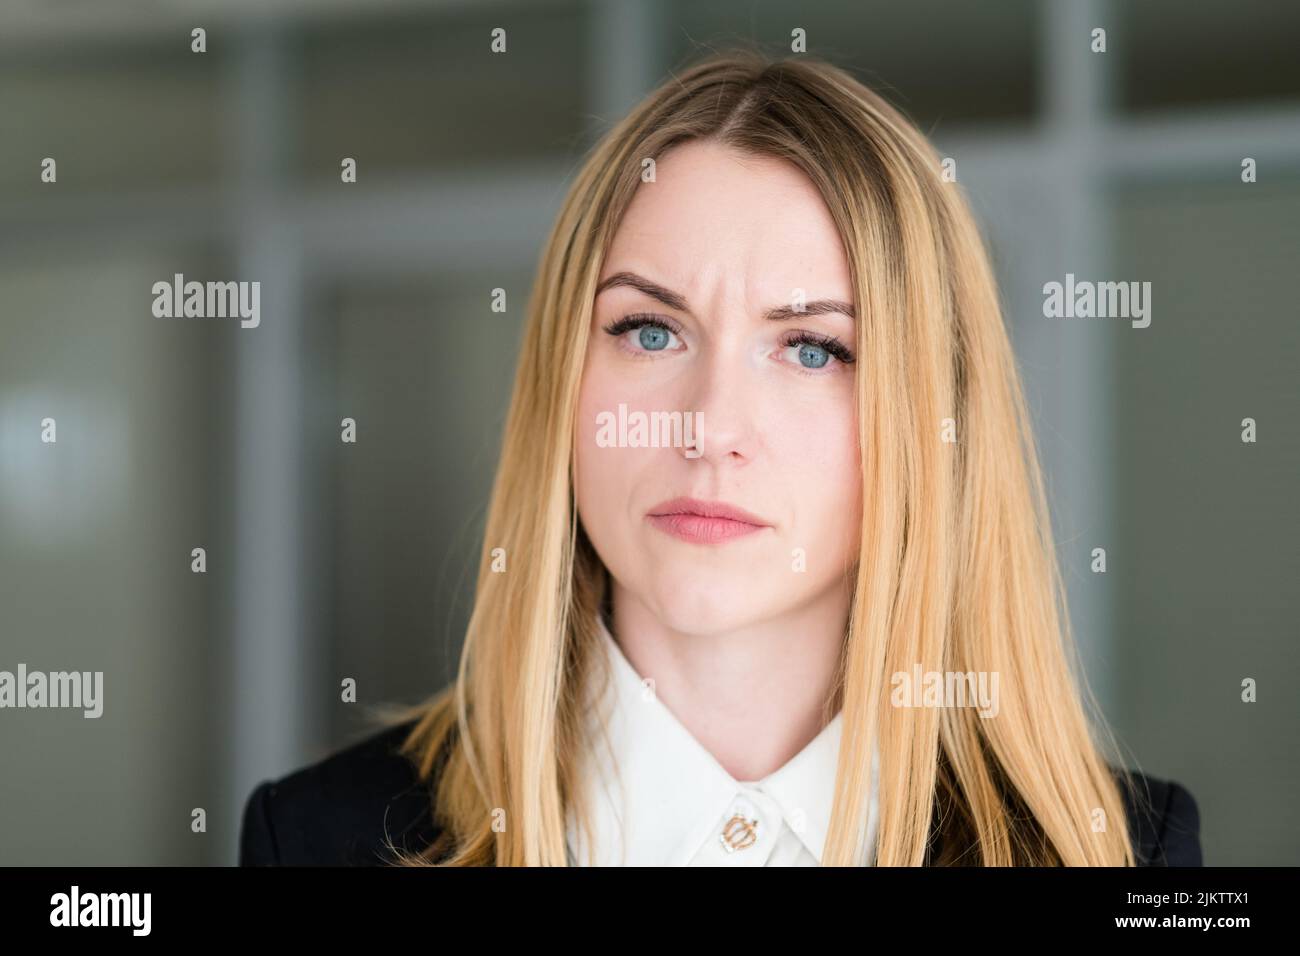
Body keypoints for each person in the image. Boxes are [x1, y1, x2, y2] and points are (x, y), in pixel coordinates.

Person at [239, 48, 1202, 867]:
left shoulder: (1118, 849)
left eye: (813, 348)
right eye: (651, 331)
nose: (708, 426)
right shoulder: (321, 839)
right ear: (559, 382)